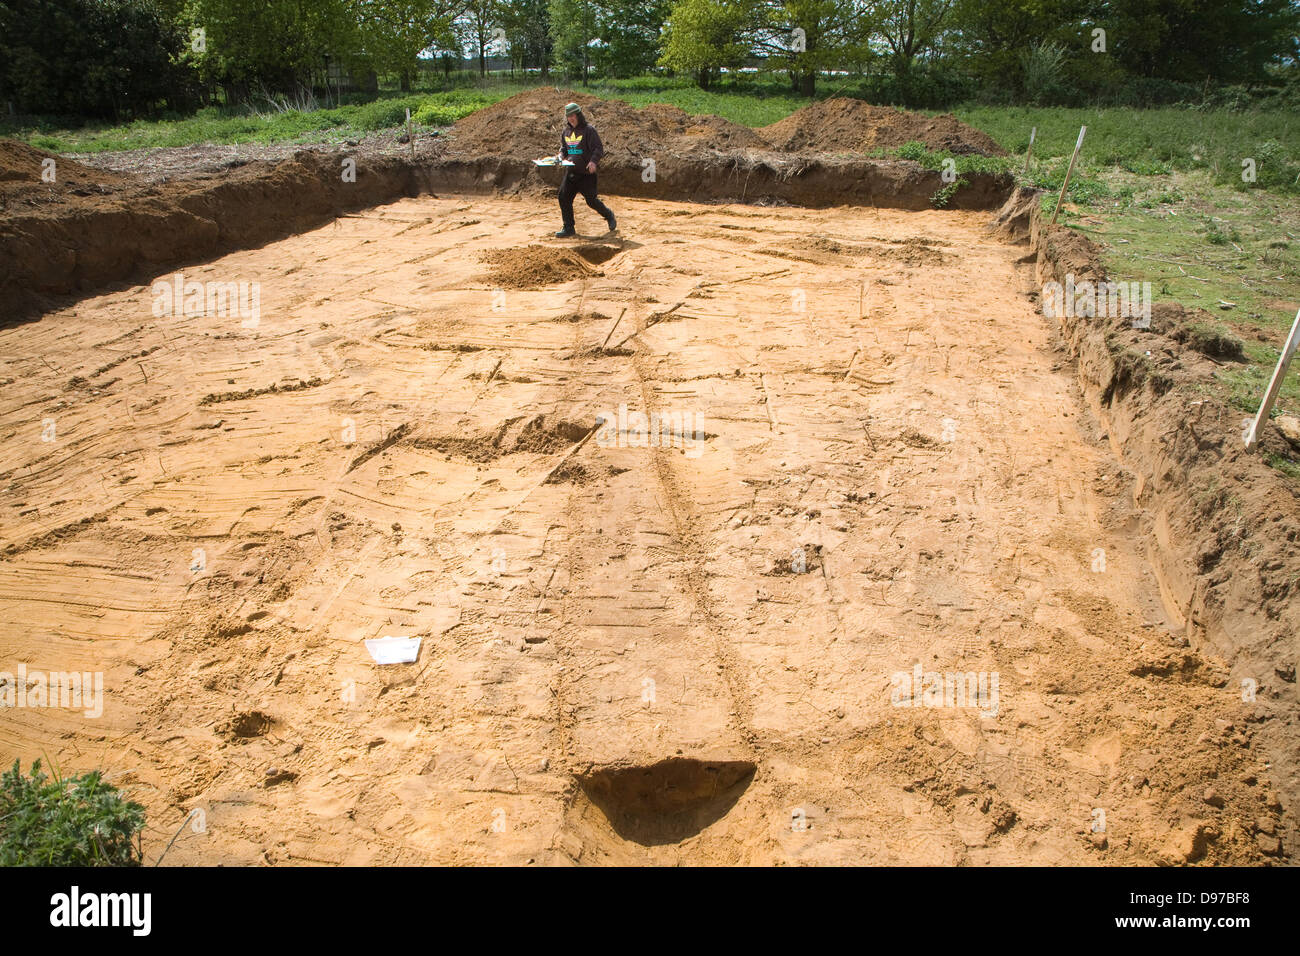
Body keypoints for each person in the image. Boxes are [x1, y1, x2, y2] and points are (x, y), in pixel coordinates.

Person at [554, 102, 617, 238]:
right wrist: (560, 156)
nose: (571, 118)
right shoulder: (566, 132)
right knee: (563, 197)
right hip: (571, 173)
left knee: (591, 201)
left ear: (579, 115)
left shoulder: (589, 130)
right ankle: (569, 227)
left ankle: (609, 215)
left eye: (573, 115)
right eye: (568, 116)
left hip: (586, 174)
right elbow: (564, 149)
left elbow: (598, 148)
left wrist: (593, 161)